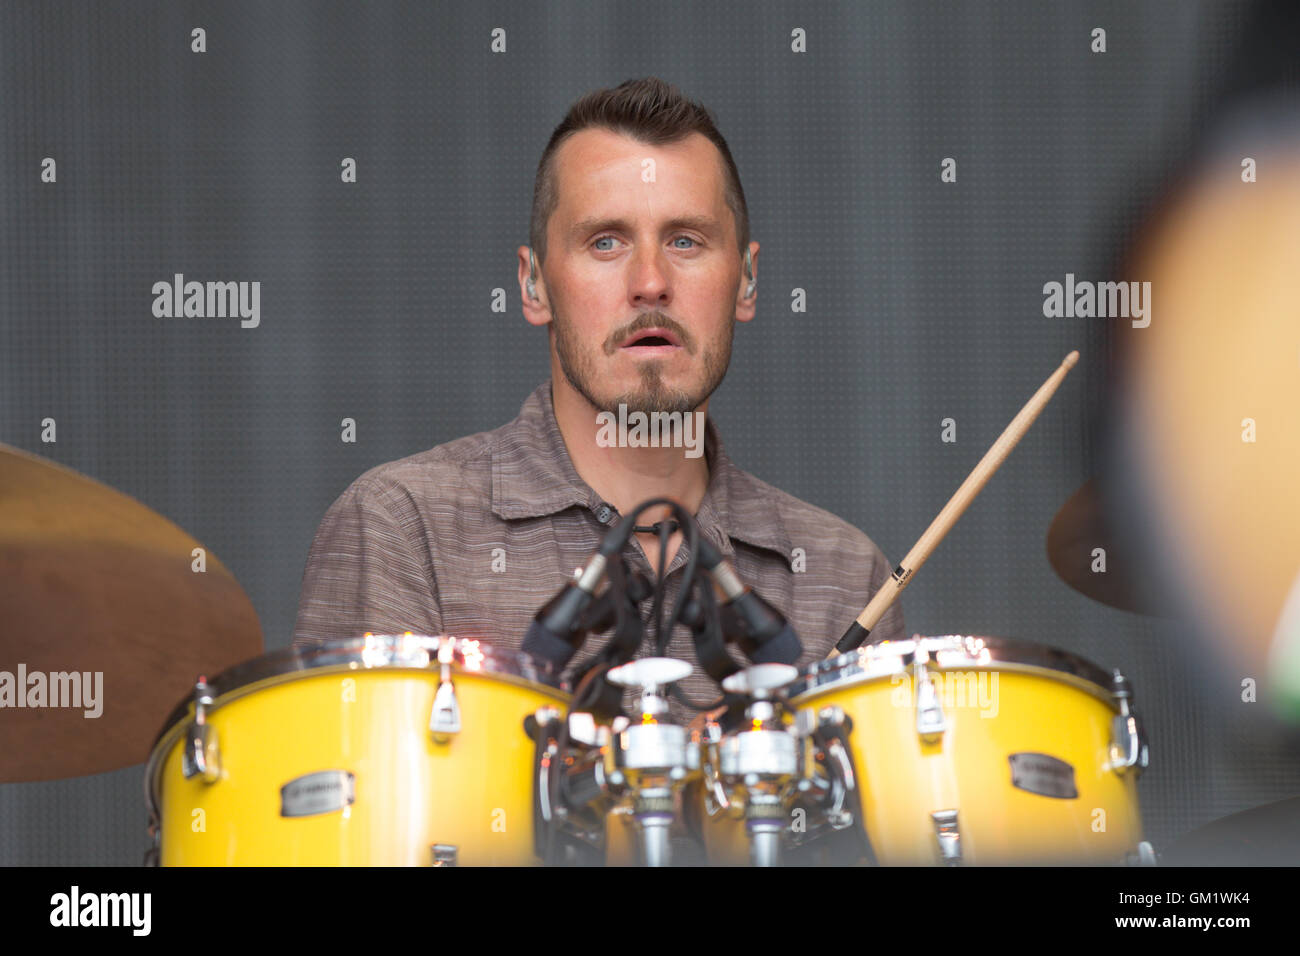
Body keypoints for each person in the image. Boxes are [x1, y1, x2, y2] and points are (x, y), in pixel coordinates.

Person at [292, 77, 905, 715]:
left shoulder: (843, 574)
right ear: (533, 286)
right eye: (605, 242)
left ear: (746, 281)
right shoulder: (403, 529)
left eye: (686, 241)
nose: (650, 282)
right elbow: (366, 805)